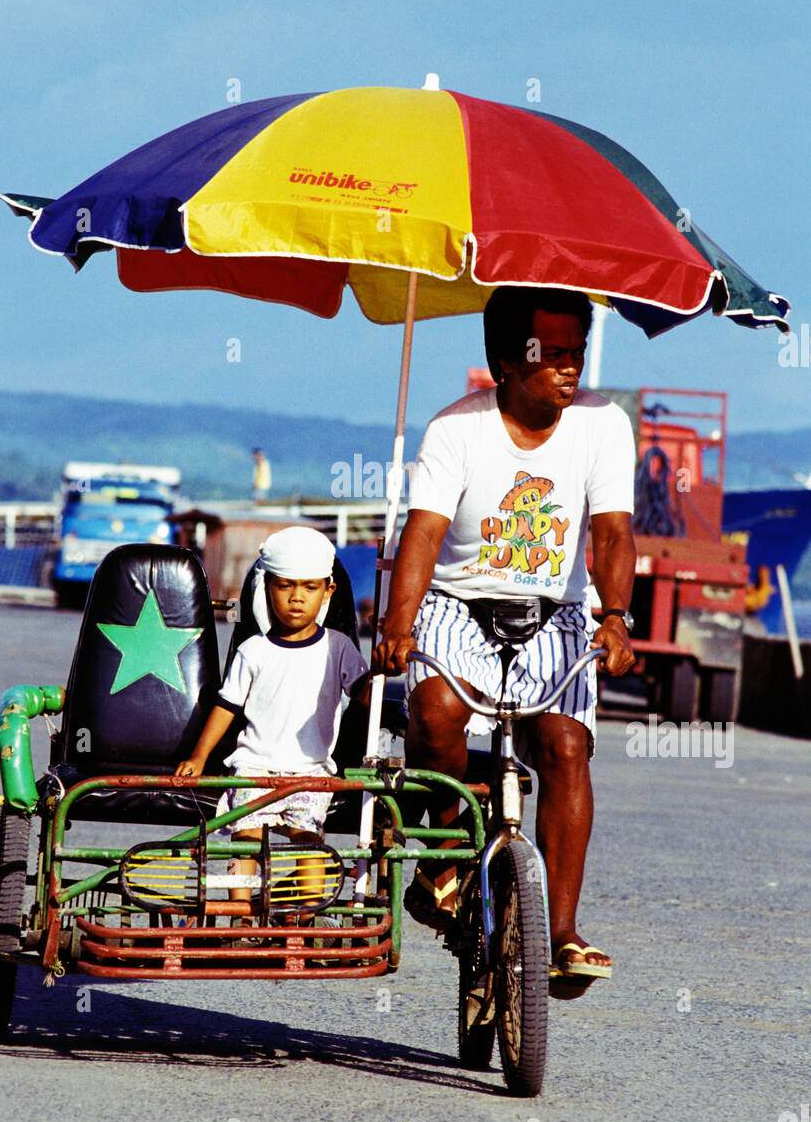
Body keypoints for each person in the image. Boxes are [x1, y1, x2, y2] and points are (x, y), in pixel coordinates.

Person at [373, 286, 636, 980]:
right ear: (503, 361)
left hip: (556, 611)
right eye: (549, 353)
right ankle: (442, 855)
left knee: (565, 744)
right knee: (434, 713)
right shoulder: (454, 430)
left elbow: (612, 532)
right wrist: (398, 624)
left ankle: (562, 933)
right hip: (459, 606)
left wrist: (614, 617)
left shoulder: (603, 425)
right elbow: (423, 532)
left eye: (574, 351)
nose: (567, 366)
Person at [176, 526, 370, 918]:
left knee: (309, 844)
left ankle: (306, 911)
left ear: (328, 592)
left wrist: (382, 671)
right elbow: (227, 706)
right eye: (285, 586)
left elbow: (366, 694)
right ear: (267, 588)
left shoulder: (340, 647)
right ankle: (240, 914)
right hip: (254, 768)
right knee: (245, 838)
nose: (297, 597)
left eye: (310, 588)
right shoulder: (254, 650)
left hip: (310, 772)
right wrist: (199, 755)